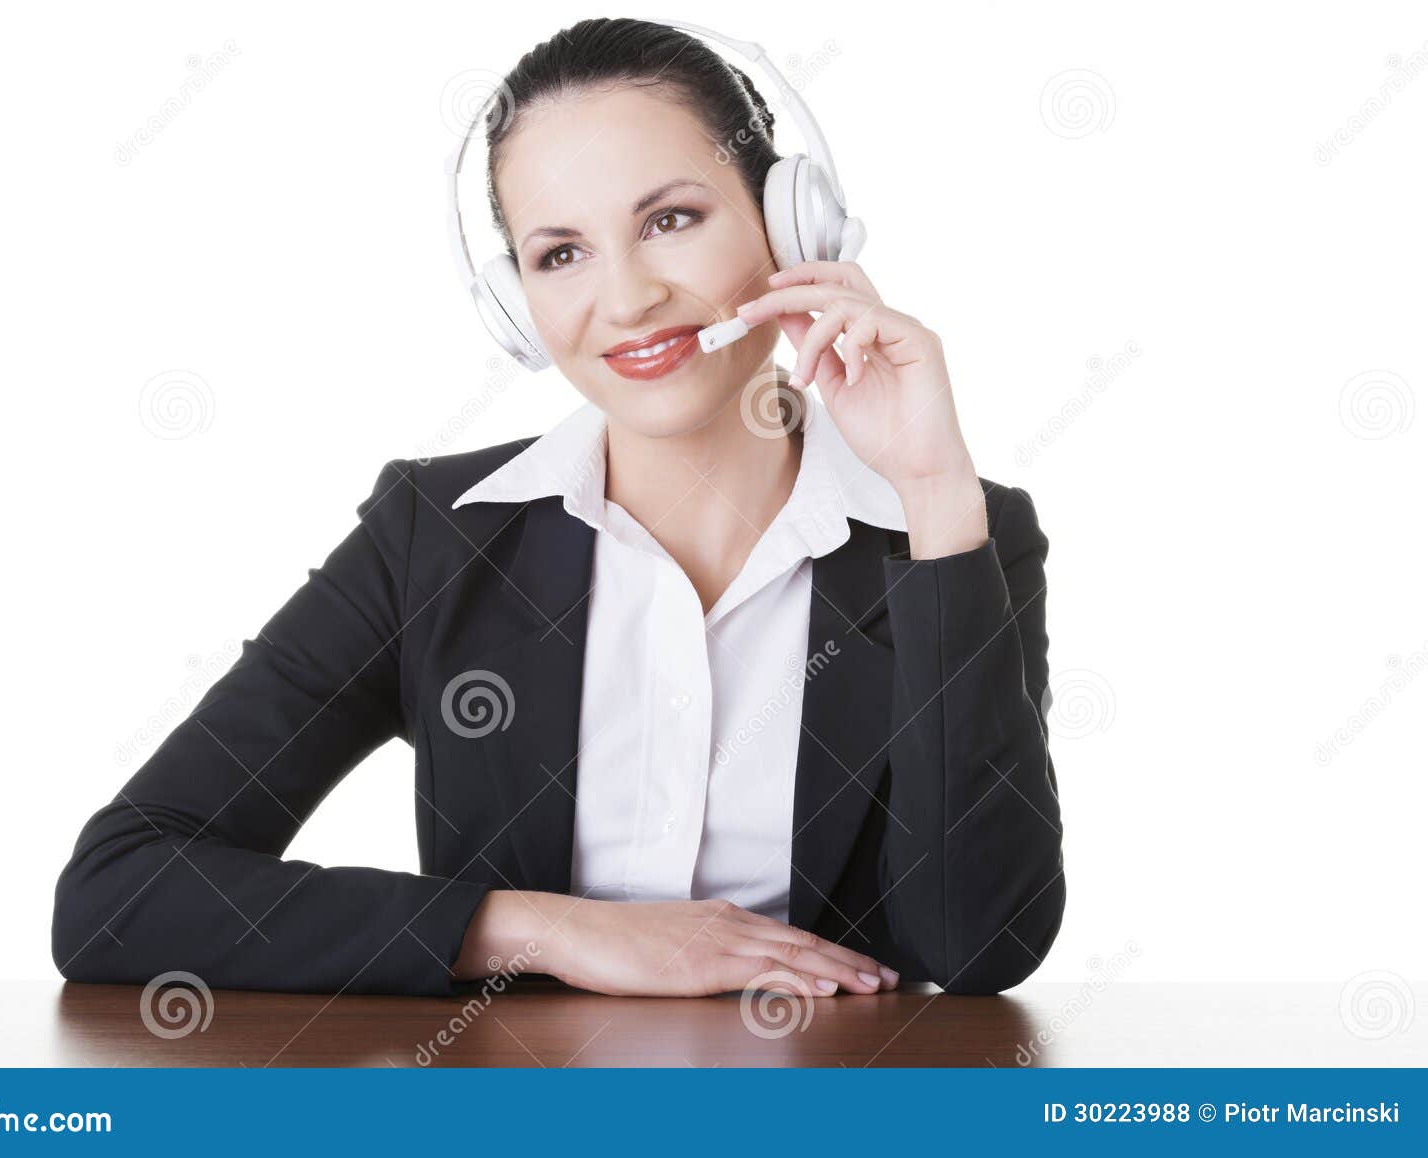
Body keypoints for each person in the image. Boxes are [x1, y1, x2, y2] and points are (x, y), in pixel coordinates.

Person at [52, 17, 1064, 1001]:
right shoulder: (435, 534)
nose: (624, 301)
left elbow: (978, 946)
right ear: (516, 301)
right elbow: (118, 892)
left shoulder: (954, 534)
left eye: (670, 220)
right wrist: (549, 930)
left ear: (790, 222)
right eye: (560, 253)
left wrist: (933, 495)